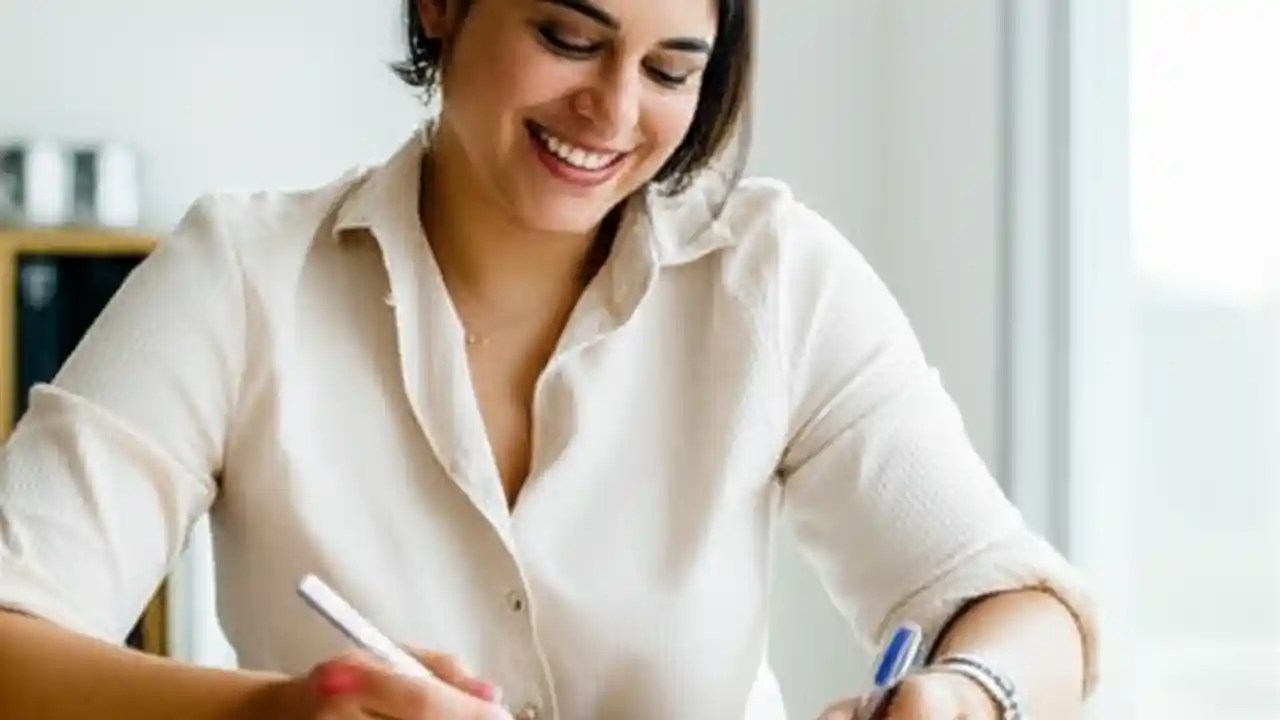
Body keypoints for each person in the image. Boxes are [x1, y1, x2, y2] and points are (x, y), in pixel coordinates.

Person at [0, 0, 1098, 718]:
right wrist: (274, 710)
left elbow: (1021, 605)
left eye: (670, 70)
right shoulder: (242, 279)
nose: (612, 111)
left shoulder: (770, 278)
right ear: (441, 5)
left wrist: (964, 694)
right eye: (569, 39)